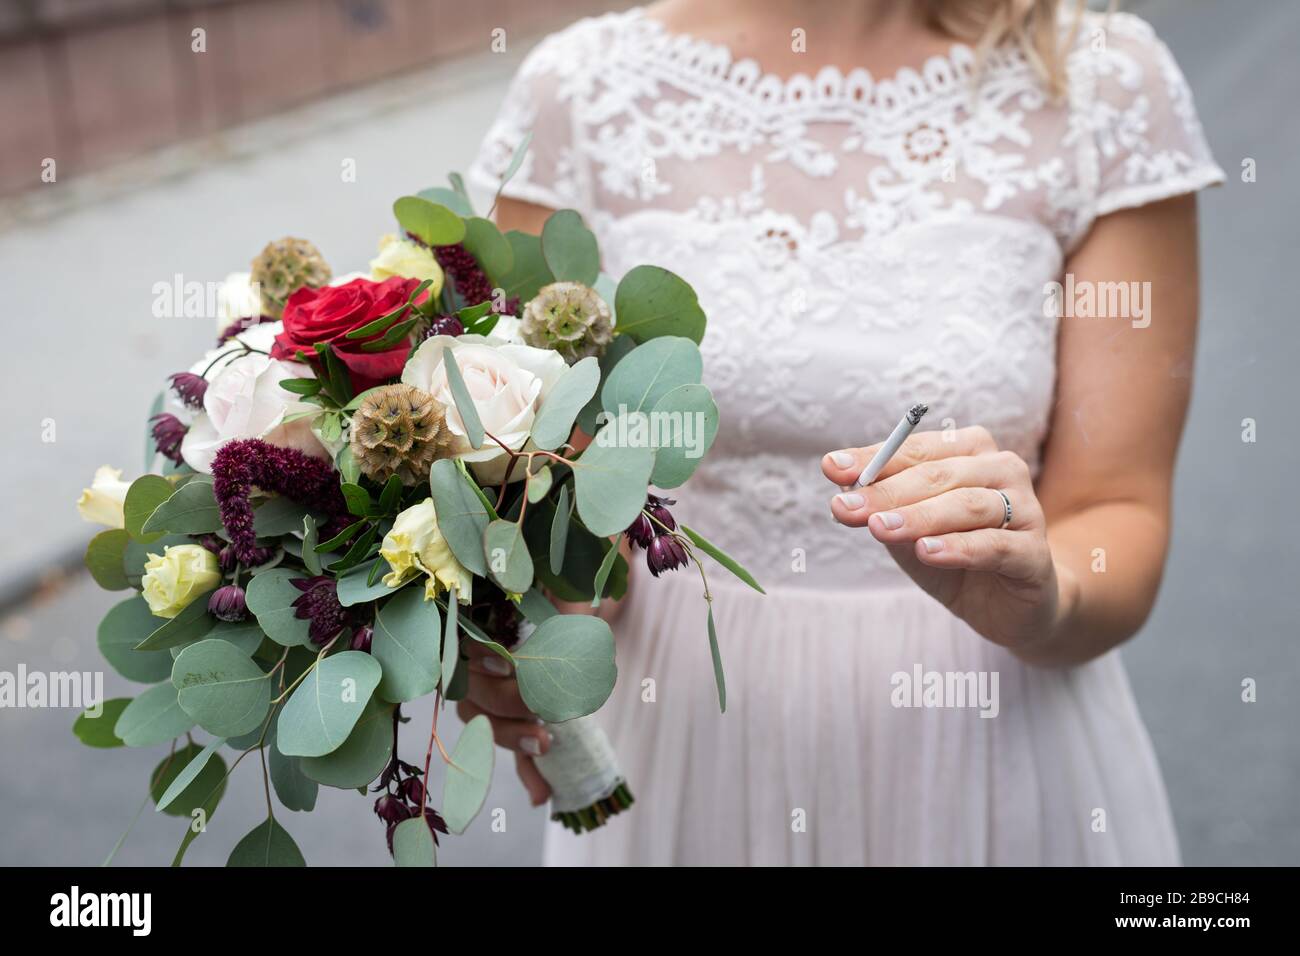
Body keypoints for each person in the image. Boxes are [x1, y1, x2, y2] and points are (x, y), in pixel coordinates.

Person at [460, 0, 1224, 865]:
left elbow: (1116, 504)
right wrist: (534, 621)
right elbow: (547, 483)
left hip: (993, 732)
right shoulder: (579, 91)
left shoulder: (1102, 78)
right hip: (687, 723)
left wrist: (1046, 598)